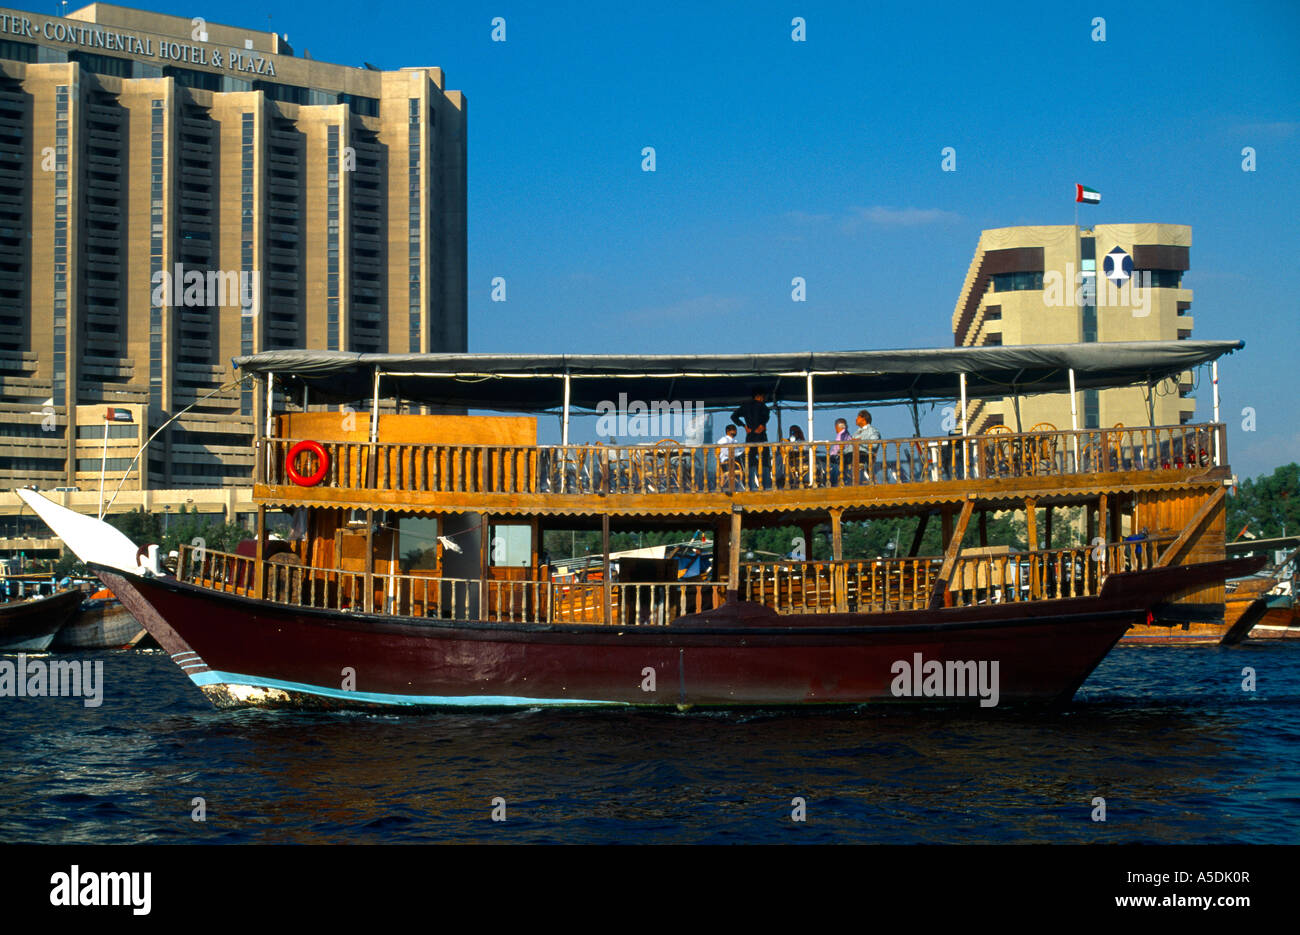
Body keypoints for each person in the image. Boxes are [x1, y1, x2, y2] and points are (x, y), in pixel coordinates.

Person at [731, 389, 771, 488]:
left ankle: (750, 485)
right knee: (765, 460)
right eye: (763, 397)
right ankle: (766, 485)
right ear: (760, 396)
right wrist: (762, 425)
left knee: (751, 460)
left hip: (750, 436)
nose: (763, 399)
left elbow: (734, 416)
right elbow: (765, 418)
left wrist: (744, 426)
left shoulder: (745, 406)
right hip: (761, 436)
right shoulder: (763, 407)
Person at [829, 418, 850, 485]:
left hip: (838, 456)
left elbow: (840, 447)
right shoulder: (846, 434)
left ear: (838, 426)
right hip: (840, 456)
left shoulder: (842, 435)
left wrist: (833, 454)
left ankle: (831, 481)